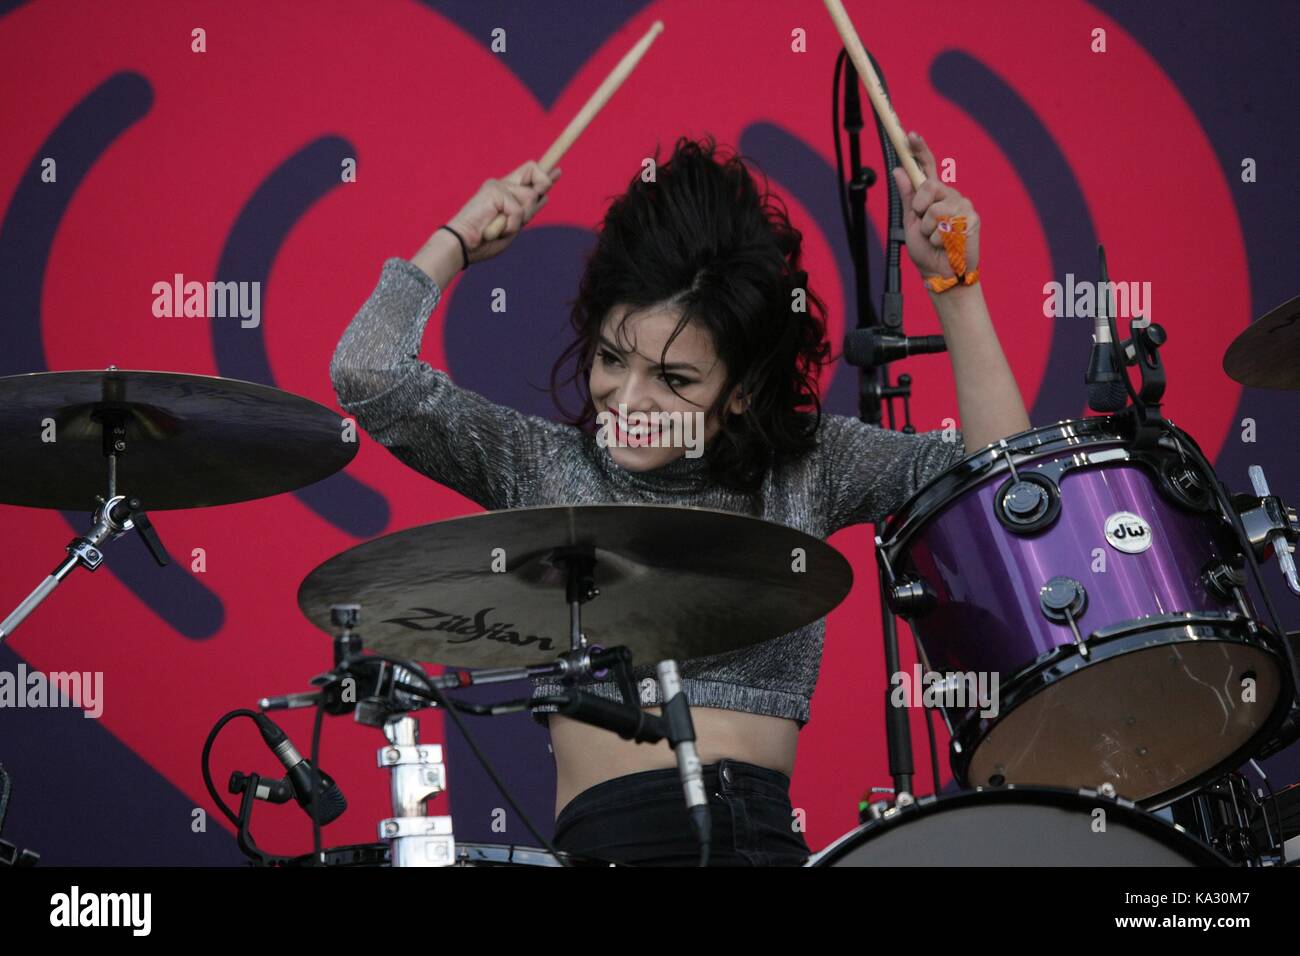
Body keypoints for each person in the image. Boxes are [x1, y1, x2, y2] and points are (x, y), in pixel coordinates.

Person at [330, 131, 1029, 866]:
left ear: (743, 392)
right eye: (610, 359)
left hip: (761, 844)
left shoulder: (806, 466)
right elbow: (367, 374)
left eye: (674, 379)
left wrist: (956, 289)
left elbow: (1006, 490)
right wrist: (458, 241)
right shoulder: (539, 465)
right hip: (613, 844)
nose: (628, 400)